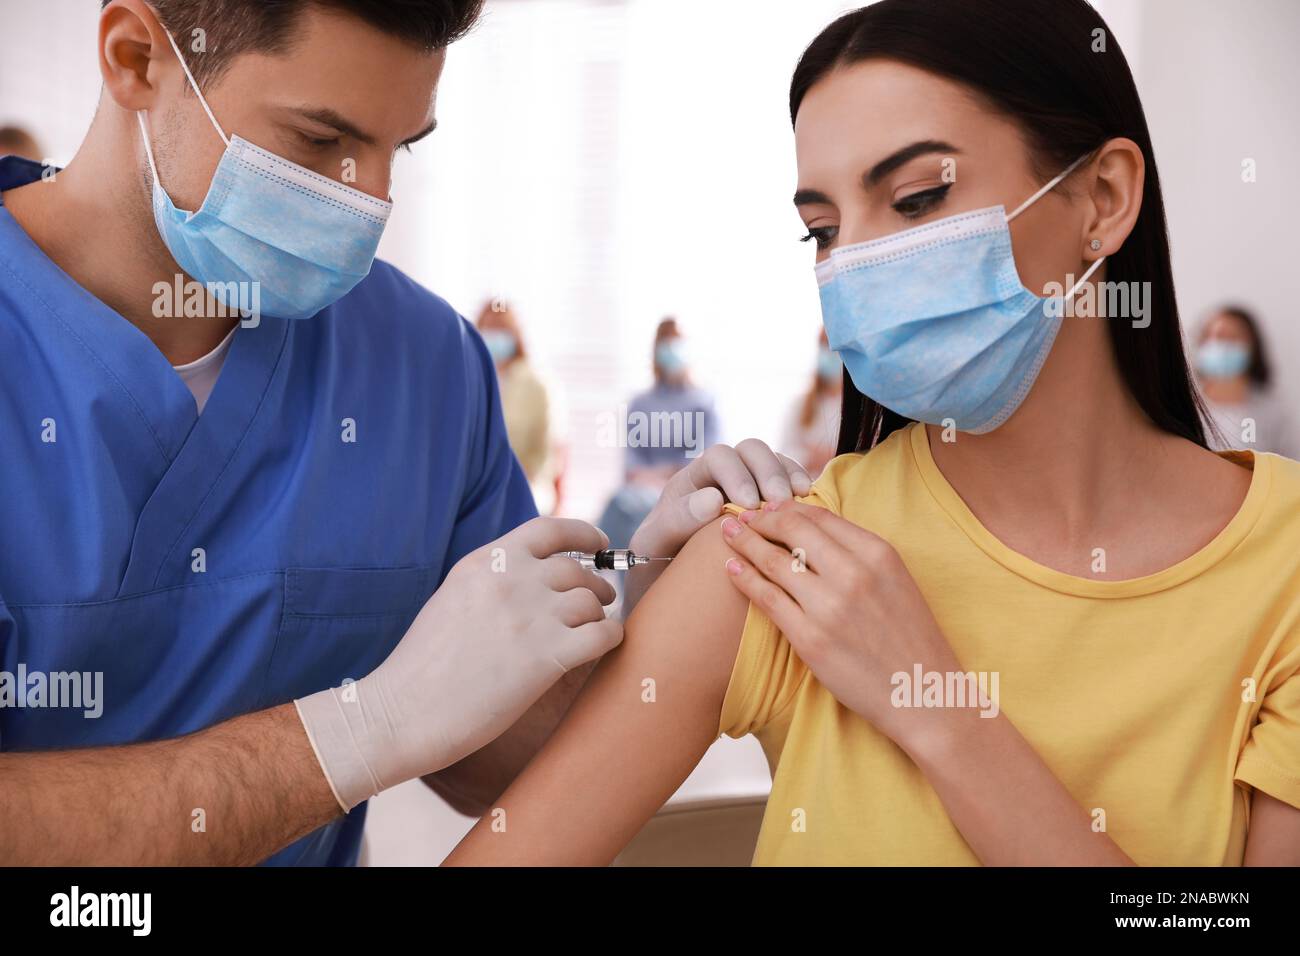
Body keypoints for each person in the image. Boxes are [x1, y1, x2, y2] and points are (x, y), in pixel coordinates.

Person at [444, 0, 1300, 866]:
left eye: (918, 198)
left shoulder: (1285, 563)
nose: (854, 264)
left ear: (1103, 199)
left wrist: (939, 711)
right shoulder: (782, 556)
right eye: (822, 230)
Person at [0, 0, 811, 866]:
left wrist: (639, 601)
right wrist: (367, 728)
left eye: (403, 147)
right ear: (136, 59)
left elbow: (487, 759)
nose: (372, 200)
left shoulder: (423, 363)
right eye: (319, 141)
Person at [475, 299, 560, 512]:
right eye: (489, 329)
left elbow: (547, 453)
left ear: (514, 335)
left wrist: (518, 478)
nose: (494, 336)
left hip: (527, 481)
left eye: (500, 330)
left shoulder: (535, 385)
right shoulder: (469, 377)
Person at [1195, 305, 1297, 459]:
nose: (1221, 346)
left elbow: (1291, 466)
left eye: (1231, 338)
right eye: (1214, 336)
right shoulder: (1185, 405)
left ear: (1252, 347)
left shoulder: (1272, 410)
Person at [780, 329, 842, 477]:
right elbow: (783, 452)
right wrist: (813, 457)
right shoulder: (800, 404)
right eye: (823, 346)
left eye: (833, 347)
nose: (828, 353)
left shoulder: (859, 410)